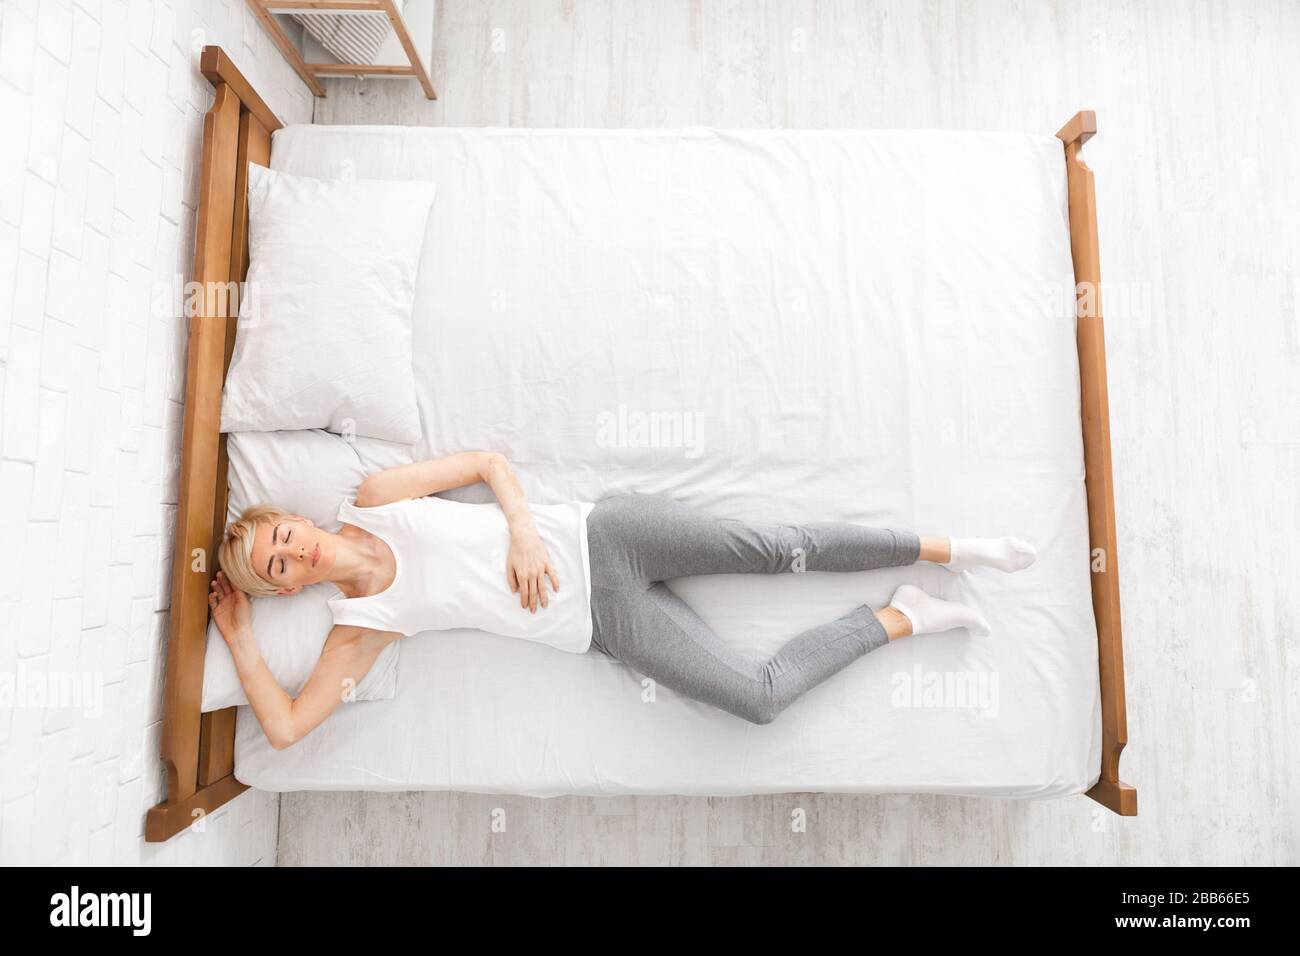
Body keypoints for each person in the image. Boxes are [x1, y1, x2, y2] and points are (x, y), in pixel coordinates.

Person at [210, 451, 1035, 749]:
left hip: (606, 536)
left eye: (280, 537)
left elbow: (491, 464)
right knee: (756, 700)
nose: (292, 553)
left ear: (290, 519)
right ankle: (902, 617)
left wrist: (524, 533)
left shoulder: (378, 494)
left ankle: (949, 548)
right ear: (287, 589)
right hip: (600, 623)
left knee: (784, 549)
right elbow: (283, 731)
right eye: (276, 569)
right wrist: (240, 635)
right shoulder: (358, 631)